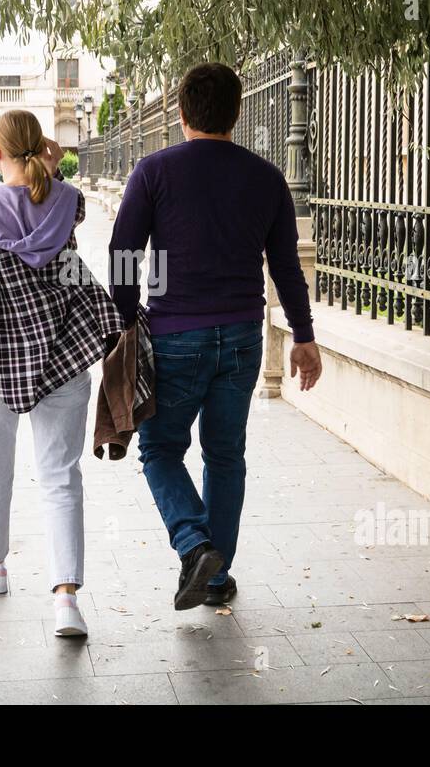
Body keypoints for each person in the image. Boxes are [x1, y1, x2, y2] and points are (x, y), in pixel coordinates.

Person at [108, 62, 323, 611]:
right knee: (225, 455)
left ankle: (194, 545)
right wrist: (302, 334)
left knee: (159, 447)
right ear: (236, 112)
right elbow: (286, 267)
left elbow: (125, 255)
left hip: (176, 333)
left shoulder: (153, 171)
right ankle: (216, 575)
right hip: (244, 336)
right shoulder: (267, 177)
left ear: (181, 115)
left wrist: (124, 323)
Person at [0, 110, 123, 637]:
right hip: (62, 360)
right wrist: (49, 157)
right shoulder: (67, 205)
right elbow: (54, 178)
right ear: (38, 147)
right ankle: (66, 599)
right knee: (61, 477)